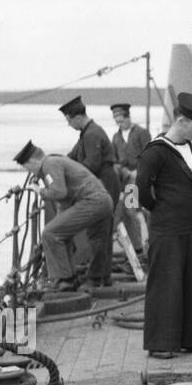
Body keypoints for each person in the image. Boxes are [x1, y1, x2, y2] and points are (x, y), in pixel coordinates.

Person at [132, 92, 192, 359]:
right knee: (165, 284)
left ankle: (190, 339)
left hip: (189, 227)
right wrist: (155, 208)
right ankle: (160, 344)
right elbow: (140, 186)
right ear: (180, 120)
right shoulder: (156, 152)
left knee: (191, 283)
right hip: (165, 228)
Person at [14, 141, 114, 292]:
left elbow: (59, 192)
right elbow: (64, 201)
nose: (29, 171)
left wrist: (38, 190)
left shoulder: (49, 164)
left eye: (26, 167)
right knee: (61, 234)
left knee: (50, 233)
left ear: (33, 161)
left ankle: (64, 279)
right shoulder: (55, 162)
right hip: (102, 201)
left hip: (92, 202)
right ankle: (77, 277)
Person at [59, 95, 121, 287]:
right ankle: (104, 276)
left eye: (69, 120)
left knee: (97, 232)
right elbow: (72, 156)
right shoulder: (87, 133)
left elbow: (91, 164)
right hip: (104, 183)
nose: (68, 125)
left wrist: (69, 176)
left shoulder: (91, 134)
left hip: (103, 184)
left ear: (77, 117)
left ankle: (95, 278)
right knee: (103, 232)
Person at [110, 102, 151, 254]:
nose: (119, 124)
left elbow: (150, 156)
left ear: (128, 118)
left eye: (121, 121)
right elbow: (114, 160)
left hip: (141, 178)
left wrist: (138, 171)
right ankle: (138, 243)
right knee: (131, 210)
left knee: (133, 210)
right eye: (117, 122)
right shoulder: (116, 137)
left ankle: (142, 244)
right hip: (126, 180)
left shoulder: (141, 133)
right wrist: (122, 170)